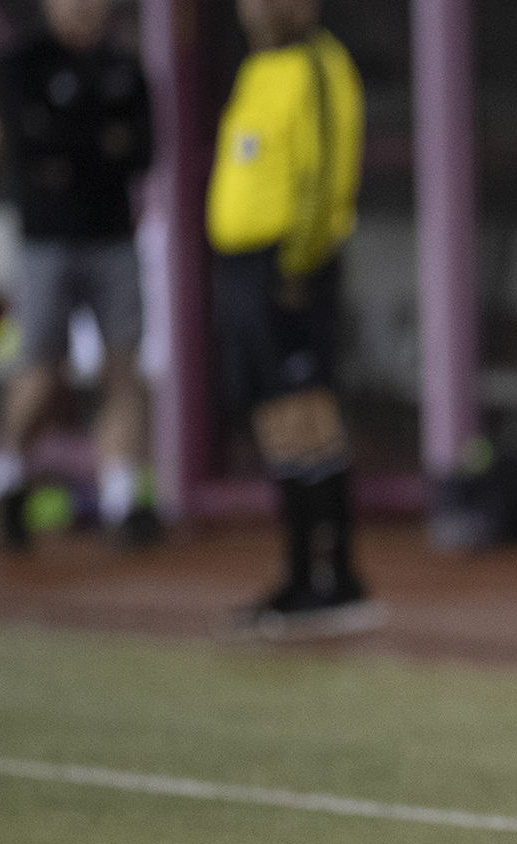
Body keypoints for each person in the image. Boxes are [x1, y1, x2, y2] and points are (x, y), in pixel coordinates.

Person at [209, 0, 377, 638]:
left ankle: (338, 578)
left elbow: (327, 173)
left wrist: (299, 264)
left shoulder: (318, 66)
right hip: (246, 263)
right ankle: (301, 574)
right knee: (278, 418)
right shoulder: (261, 66)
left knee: (305, 410)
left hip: (288, 265)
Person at [0, 0, 158, 551]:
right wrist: (97, 144)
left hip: (112, 239)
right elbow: (28, 145)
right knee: (39, 372)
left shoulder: (124, 68)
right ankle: (9, 477)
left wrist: (71, 149)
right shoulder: (22, 64)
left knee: (122, 368)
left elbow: (143, 151)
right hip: (45, 243)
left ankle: (121, 500)